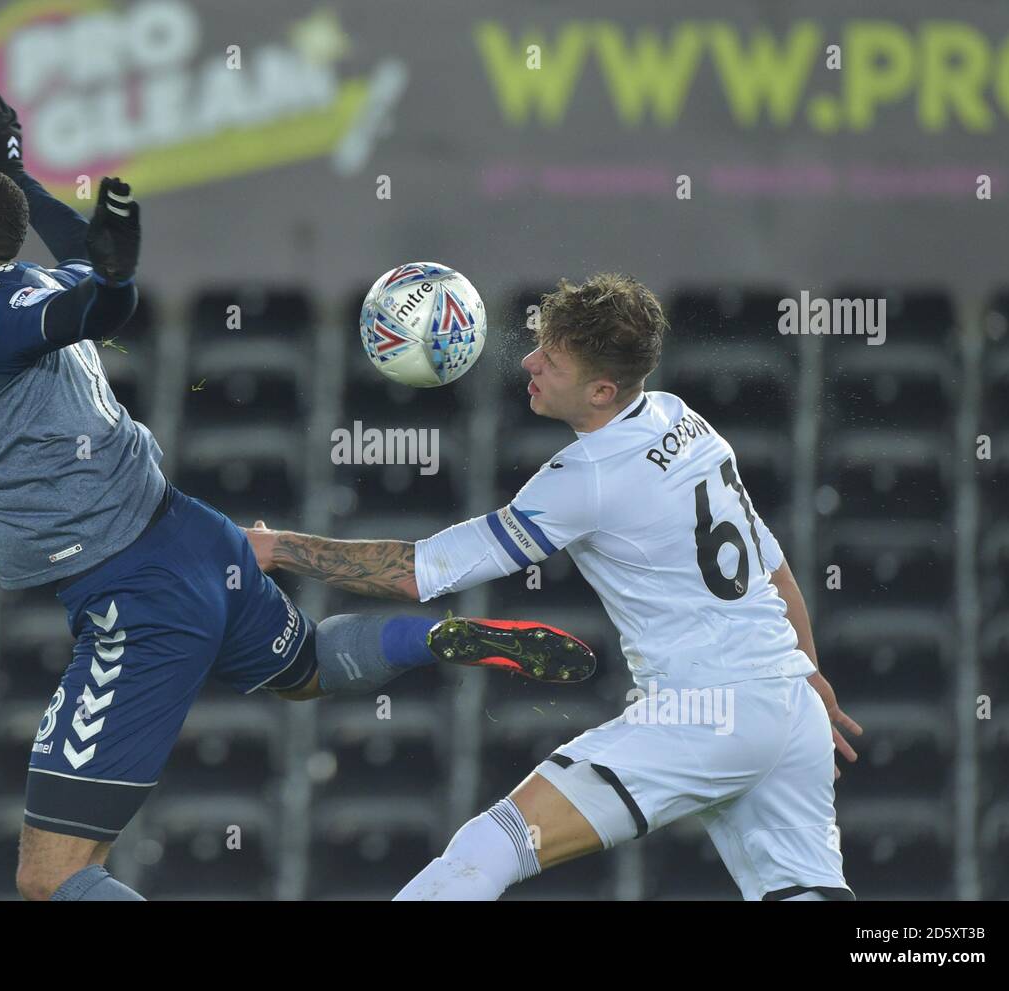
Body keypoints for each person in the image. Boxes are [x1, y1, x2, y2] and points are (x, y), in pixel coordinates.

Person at [0, 81, 596, 901]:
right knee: (304, 668)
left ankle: (431, 638)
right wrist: (16, 173)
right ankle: (430, 638)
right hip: (195, 540)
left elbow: (93, 300)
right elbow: (96, 280)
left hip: (133, 596)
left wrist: (107, 279)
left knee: (51, 879)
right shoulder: (29, 285)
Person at [246, 273, 863, 900]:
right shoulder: (683, 419)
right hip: (789, 708)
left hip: (707, 715)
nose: (529, 361)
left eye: (552, 360)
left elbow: (419, 571)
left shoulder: (587, 478)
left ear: (601, 390)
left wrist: (279, 549)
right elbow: (772, 565)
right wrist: (805, 672)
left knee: (492, 846)